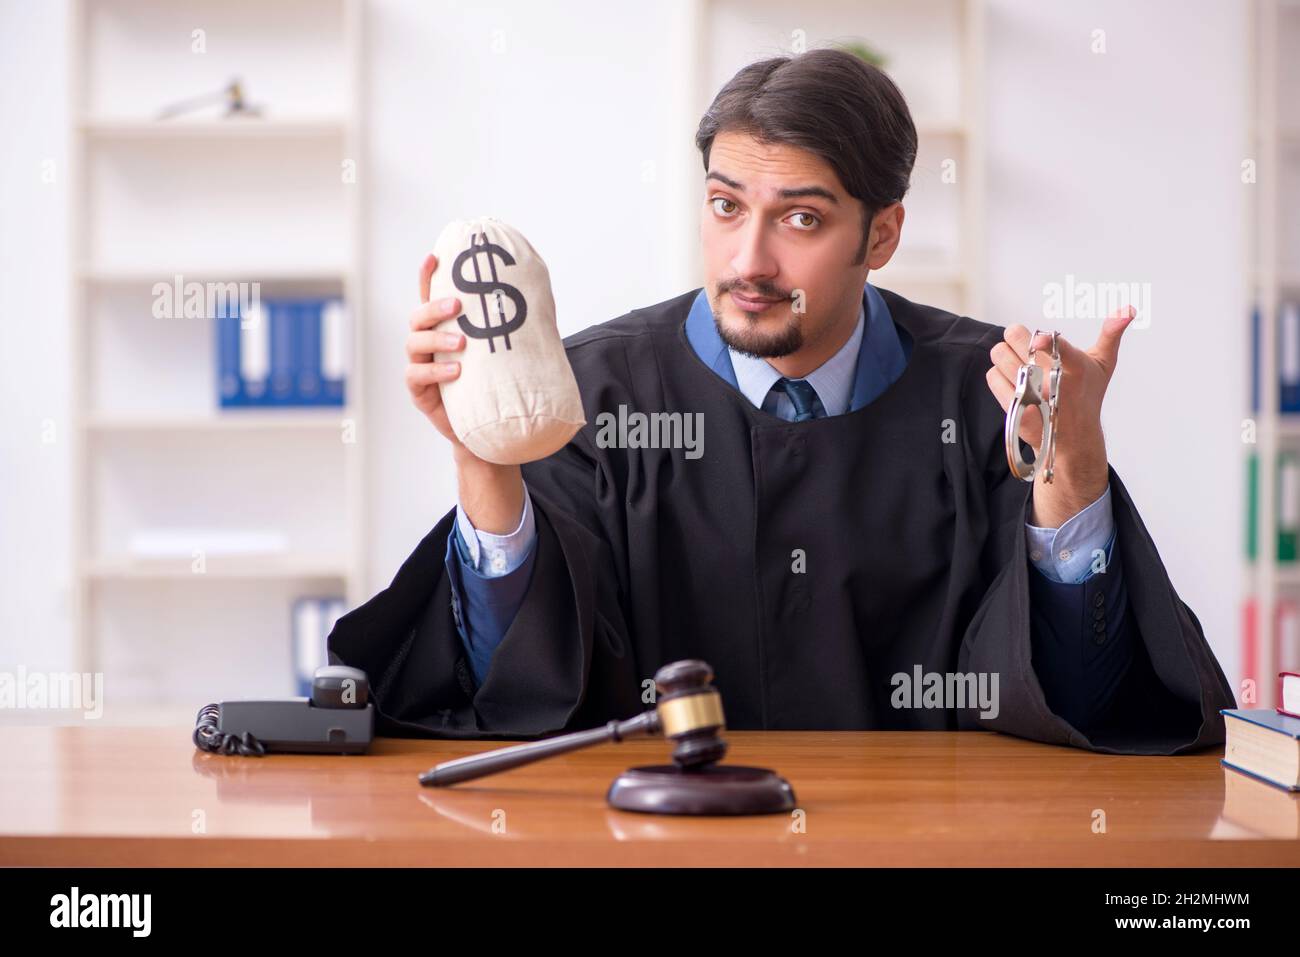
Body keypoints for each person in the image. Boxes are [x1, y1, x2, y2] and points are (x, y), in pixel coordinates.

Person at [329, 48, 1235, 754]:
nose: (748, 261)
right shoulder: (594, 395)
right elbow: (514, 697)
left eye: (801, 219)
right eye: (726, 207)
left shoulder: (993, 396)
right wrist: (483, 457)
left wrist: (1074, 480)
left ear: (881, 235)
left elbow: (1090, 704)